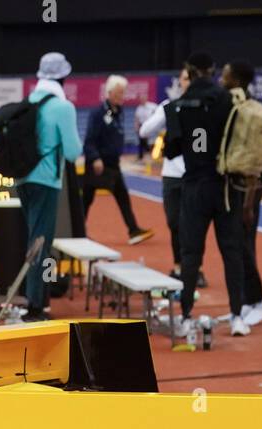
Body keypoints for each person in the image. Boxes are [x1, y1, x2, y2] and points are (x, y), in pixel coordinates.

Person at [164, 52, 250, 336]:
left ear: (190, 71)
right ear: (212, 71)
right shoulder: (227, 100)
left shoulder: (177, 105)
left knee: (190, 254)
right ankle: (238, 316)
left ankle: (187, 316)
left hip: (193, 187)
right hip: (224, 187)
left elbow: (172, 150)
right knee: (232, 252)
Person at [20, 51, 83, 321]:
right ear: (63, 76)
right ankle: (35, 305)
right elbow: (72, 152)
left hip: (23, 179)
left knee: (34, 239)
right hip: (46, 181)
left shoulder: (29, 100)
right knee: (41, 243)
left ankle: (36, 297)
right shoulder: (62, 106)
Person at [139, 68, 208, 289]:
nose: (187, 82)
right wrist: (165, 115)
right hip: (172, 175)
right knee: (174, 223)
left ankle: (195, 269)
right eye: (184, 79)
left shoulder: (205, 107)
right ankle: (179, 266)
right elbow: (144, 131)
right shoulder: (169, 107)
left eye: (190, 78)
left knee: (194, 224)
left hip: (194, 175)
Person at [221, 59, 262, 327]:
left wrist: (250, 203)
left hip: (250, 182)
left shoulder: (252, 112)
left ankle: (257, 301)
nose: (221, 78)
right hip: (236, 180)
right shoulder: (233, 105)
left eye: (225, 75)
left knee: (243, 242)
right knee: (234, 242)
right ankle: (239, 302)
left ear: (236, 80)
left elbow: (256, 159)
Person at [82, 75, 154, 245]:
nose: (122, 96)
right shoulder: (98, 113)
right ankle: (77, 230)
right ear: (109, 92)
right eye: (119, 92)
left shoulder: (118, 112)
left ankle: (133, 229)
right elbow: (89, 141)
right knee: (86, 199)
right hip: (98, 164)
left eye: (123, 92)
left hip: (113, 164)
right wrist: (95, 158)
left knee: (122, 197)